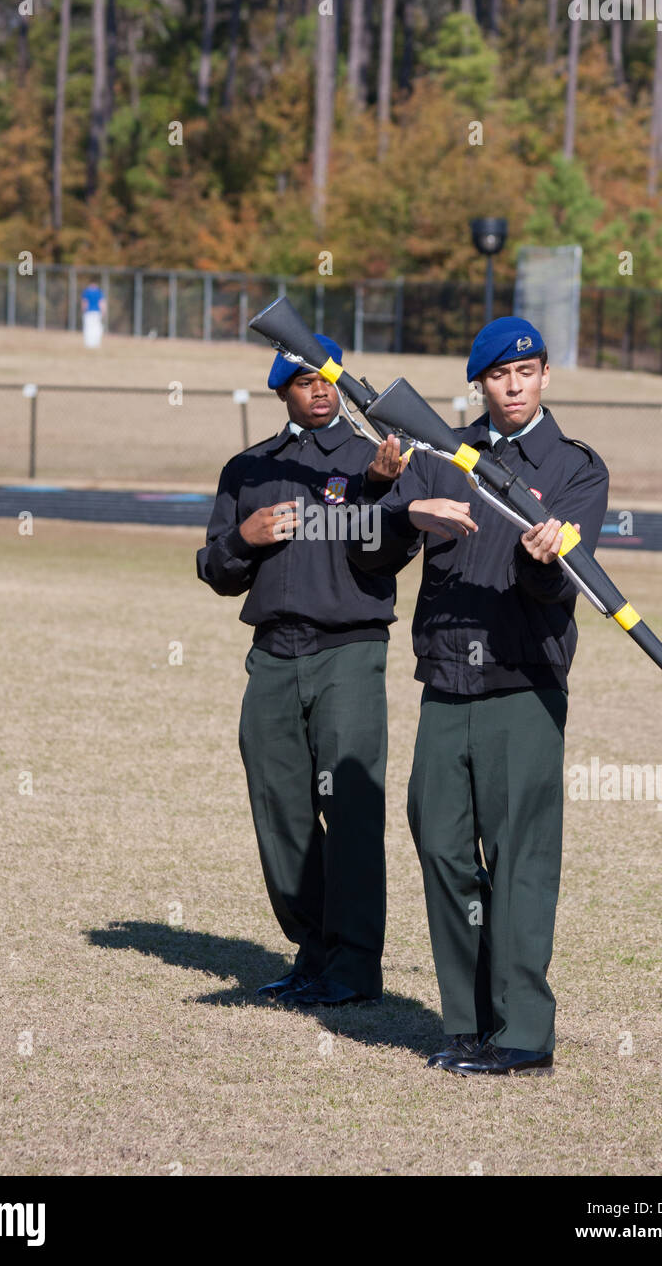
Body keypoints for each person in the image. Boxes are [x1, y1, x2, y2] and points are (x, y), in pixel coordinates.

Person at [348, 316, 609, 1075]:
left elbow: (563, 581)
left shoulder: (576, 468)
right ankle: (466, 1021)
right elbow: (373, 555)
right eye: (500, 375)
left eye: (527, 371)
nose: (515, 385)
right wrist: (401, 511)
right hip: (445, 682)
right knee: (439, 844)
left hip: (522, 683)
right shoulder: (437, 454)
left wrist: (538, 562)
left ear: (546, 376)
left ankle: (524, 1032)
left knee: (522, 856)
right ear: (480, 384)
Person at [196, 337, 405, 1008]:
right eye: (304, 381)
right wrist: (241, 540)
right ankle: (312, 950)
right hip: (272, 657)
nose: (320, 391)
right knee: (279, 809)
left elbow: (390, 554)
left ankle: (353, 966)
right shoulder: (247, 469)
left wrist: (377, 492)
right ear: (281, 391)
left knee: (349, 810)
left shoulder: (376, 459)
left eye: (328, 380)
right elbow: (215, 572)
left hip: (348, 651)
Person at [81, 278, 106, 348]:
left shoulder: (86, 292)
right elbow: (102, 303)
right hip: (97, 312)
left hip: (88, 312)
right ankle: (96, 343)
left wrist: (83, 311)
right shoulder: (99, 292)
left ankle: (88, 344)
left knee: (88, 328)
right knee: (97, 328)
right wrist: (103, 311)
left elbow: (84, 302)